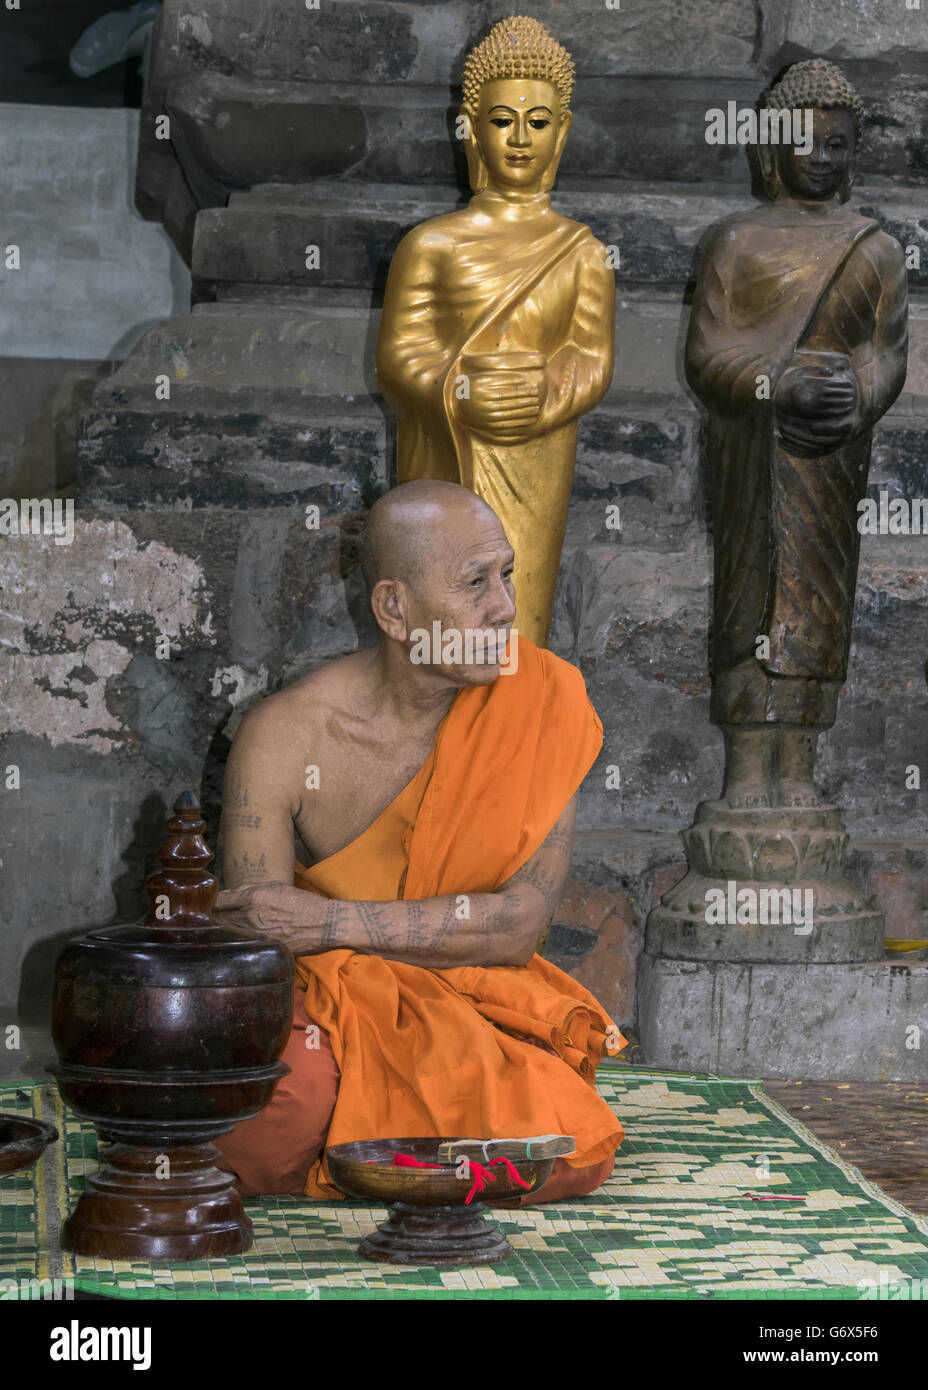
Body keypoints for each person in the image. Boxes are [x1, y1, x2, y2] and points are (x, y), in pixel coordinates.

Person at [212, 479, 624, 1202]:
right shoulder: (284, 735)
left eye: (506, 576)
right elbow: (257, 936)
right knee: (276, 1122)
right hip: (330, 1002)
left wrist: (332, 922)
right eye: (474, 584)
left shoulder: (543, 704)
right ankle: (411, 1154)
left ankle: (390, 1152)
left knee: (574, 1151)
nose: (505, 608)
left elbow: (517, 927)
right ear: (395, 609)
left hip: (471, 991)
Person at [685, 59, 908, 811]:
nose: (822, 156)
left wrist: (859, 395)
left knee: (817, 602)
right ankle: (748, 772)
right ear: (770, 148)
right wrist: (774, 380)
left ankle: (801, 768)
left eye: (838, 145)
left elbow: (888, 353)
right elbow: (709, 353)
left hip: (830, 461)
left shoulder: (873, 250)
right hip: (754, 453)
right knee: (752, 595)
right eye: (805, 141)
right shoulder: (736, 243)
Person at [375, 16, 615, 646]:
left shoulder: (582, 252)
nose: (519, 138)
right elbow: (400, 356)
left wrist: (541, 398)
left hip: (536, 452)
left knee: (517, 616)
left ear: (561, 130)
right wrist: (458, 390)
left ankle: (511, 735)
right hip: (448, 445)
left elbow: (591, 359)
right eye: (502, 119)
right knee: (442, 614)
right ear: (471, 126)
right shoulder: (431, 244)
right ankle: (436, 737)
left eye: (538, 123)